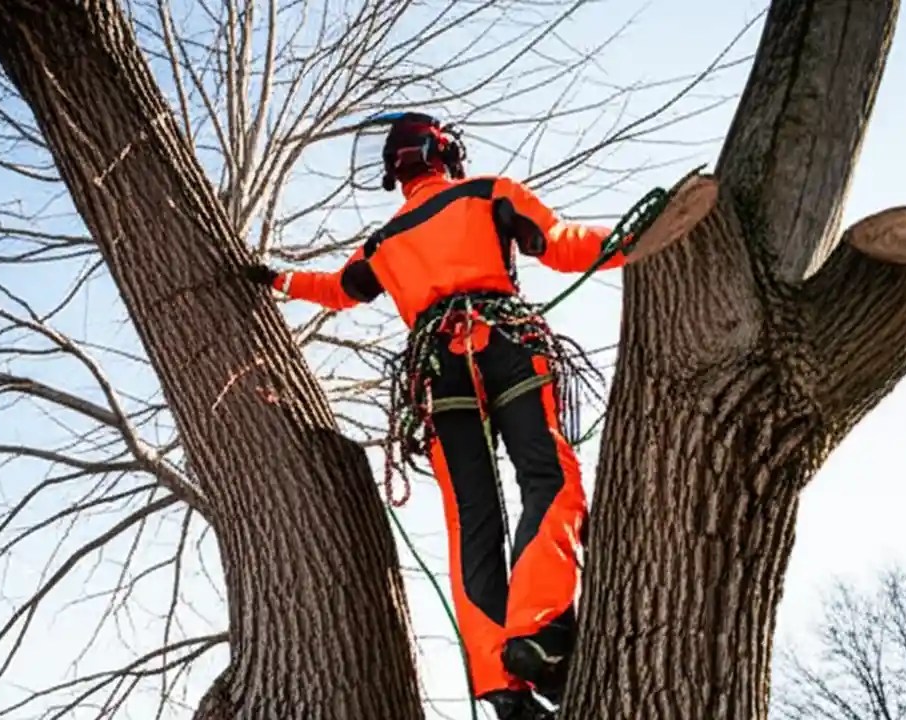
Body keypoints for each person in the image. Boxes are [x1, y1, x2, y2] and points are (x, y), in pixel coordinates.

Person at [242, 111, 630, 720]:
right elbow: (558, 244)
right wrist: (636, 237)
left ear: (396, 173)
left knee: (471, 519)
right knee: (548, 478)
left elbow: (339, 289)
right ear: (444, 151)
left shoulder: (383, 243)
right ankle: (537, 631)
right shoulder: (487, 194)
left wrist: (280, 279)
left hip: (435, 377)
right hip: (504, 344)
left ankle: (501, 686)